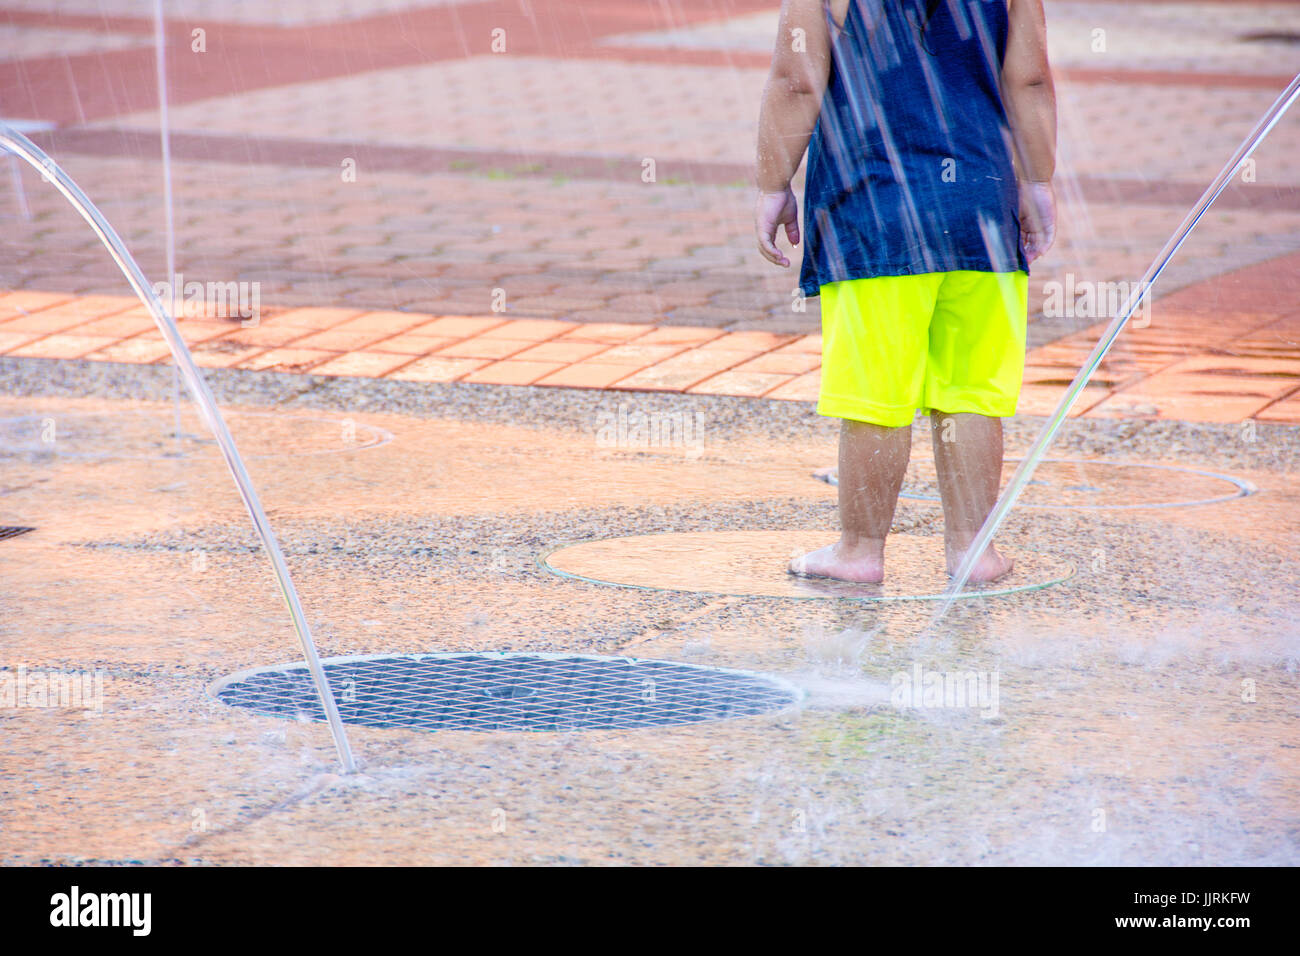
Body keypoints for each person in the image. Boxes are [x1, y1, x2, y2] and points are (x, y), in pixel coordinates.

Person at [755, 0, 1057, 583]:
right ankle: (973, 551)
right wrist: (1038, 178)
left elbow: (796, 80)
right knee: (971, 390)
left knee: (875, 390)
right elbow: (1030, 76)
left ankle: (860, 551)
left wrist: (773, 181)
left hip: (874, 208)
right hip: (979, 209)